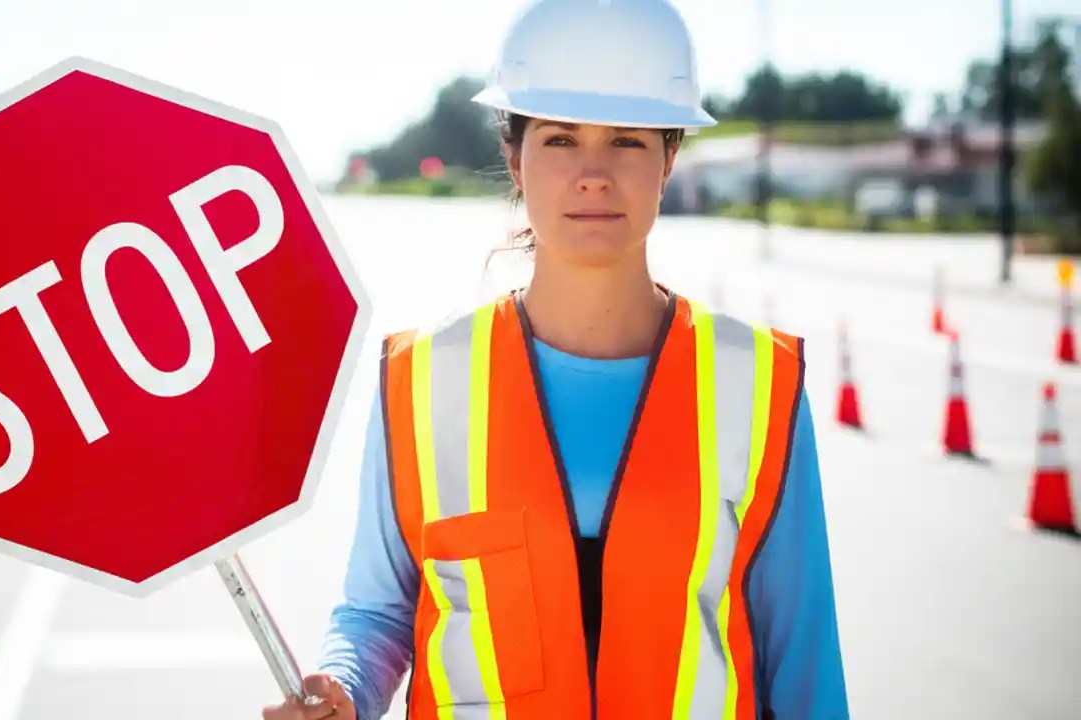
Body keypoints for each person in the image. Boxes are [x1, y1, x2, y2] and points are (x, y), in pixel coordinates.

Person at [263, 0, 848, 717]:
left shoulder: (757, 386)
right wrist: (344, 689)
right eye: (562, 139)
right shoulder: (421, 383)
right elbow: (379, 611)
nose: (594, 174)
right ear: (515, 156)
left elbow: (803, 659)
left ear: (669, 159)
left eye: (629, 141)